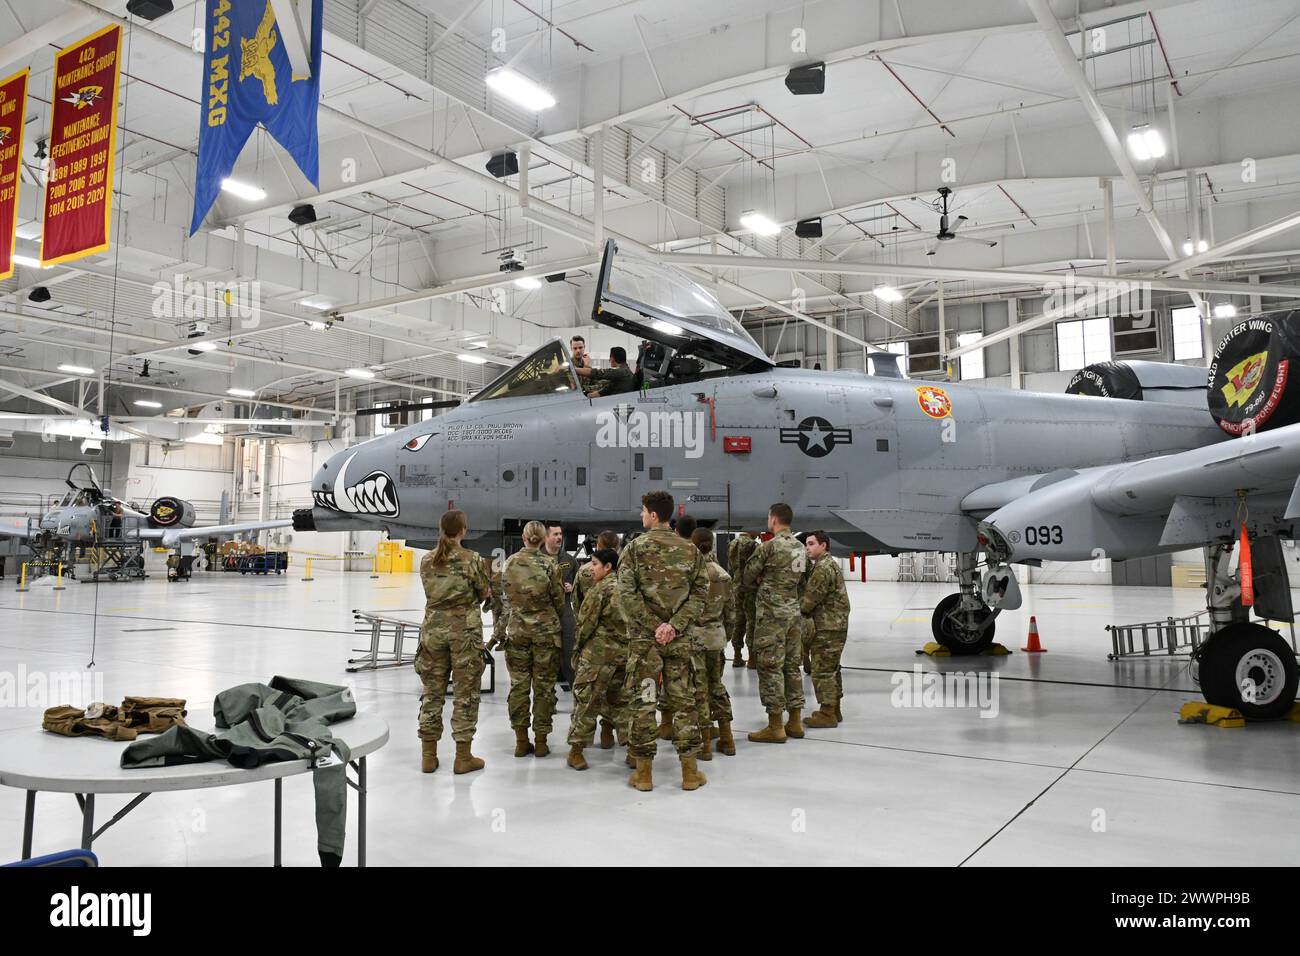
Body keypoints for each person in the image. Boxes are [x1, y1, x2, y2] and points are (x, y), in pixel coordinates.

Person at [618, 490, 709, 792]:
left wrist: (655, 626)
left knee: (644, 703)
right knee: (684, 703)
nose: (641, 516)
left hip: (645, 644)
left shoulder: (633, 549)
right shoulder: (690, 551)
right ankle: (689, 773)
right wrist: (673, 625)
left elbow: (627, 595)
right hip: (679, 642)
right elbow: (700, 594)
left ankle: (644, 775)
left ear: (653, 515)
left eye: (643, 511)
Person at [414, 510, 492, 774]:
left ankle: (428, 756)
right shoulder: (472, 559)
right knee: (466, 693)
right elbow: (483, 592)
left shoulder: (426, 561)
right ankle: (462, 757)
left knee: (432, 693)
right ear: (463, 531)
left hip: (433, 632)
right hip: (464, 633)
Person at [740, 503, 807, 744]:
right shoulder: (800, 547)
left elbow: (747, 576)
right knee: (791, 667)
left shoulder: (769, 547)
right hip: (793, 614)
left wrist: (762, 578)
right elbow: (802, 580)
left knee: (770, 667)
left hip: (771, 617)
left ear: (774, 519)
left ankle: (776, 726)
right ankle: (796, 721)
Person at [502, 520, 566, 757]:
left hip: (518, 630)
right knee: (544, 687)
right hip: (545, 633)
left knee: (519, 685)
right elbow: (559, 600)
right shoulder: (550, 565)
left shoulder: (510, 562)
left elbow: (506, 595)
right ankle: (541, 741)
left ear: (524, 537)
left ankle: (520, 740)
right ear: (542, 539)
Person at [565, 548, 629, 770]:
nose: (591, 568)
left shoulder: (600, 590)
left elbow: (585, 624)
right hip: (623, 655)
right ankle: (633, 751)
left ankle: (576, 751)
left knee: (587, 702)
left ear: (608, 567)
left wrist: (577, 650)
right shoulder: (627, 588)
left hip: (598, 657)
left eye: (594, 564)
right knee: (621, 703)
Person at [690, 528, 737, 757]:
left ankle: (705, 744)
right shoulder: (722, 574)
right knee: (717, 687)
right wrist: (724, 636)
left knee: (699, 690)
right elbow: (731, 614)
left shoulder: (691, 573)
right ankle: (728, 739)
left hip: (695, 640)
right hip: (716, 638)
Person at [801, 531, 850, 728]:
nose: (808, 548)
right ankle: (835, 709)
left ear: (823, 546)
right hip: (835, 625)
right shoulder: (829, 565)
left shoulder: (822, 568)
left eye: (812, 544)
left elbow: (808, 601)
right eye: (806, 544)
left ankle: (827, 713)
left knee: (822, 670)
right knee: (832, 669)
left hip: (827, 627)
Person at [544, 522, 579, 690]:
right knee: (546, 660)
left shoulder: (569, 561)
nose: (559, 537)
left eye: (560, 534)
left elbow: (580, 586)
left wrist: (572, 588)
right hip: (545, 612)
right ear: (546, 537)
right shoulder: (538, 559)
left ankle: (578, 696)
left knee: (570, 654)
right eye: (555, 534)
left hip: (565, 612)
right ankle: (547, 701)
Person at [726, 531, 759, 667]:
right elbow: (756, 568)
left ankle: (737, 655)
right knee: (751, 621)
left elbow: (730, 568)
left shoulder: (732, 545)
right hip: (750, 589)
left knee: (738, 621)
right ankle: (751, 658)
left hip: (736, 587)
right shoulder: (753, 545)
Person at [573, 530, 621, 613]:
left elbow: (576, 600)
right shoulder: (626, 569)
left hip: (589, 615)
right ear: (617, 547)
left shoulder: (584, 570)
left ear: (598, 546)